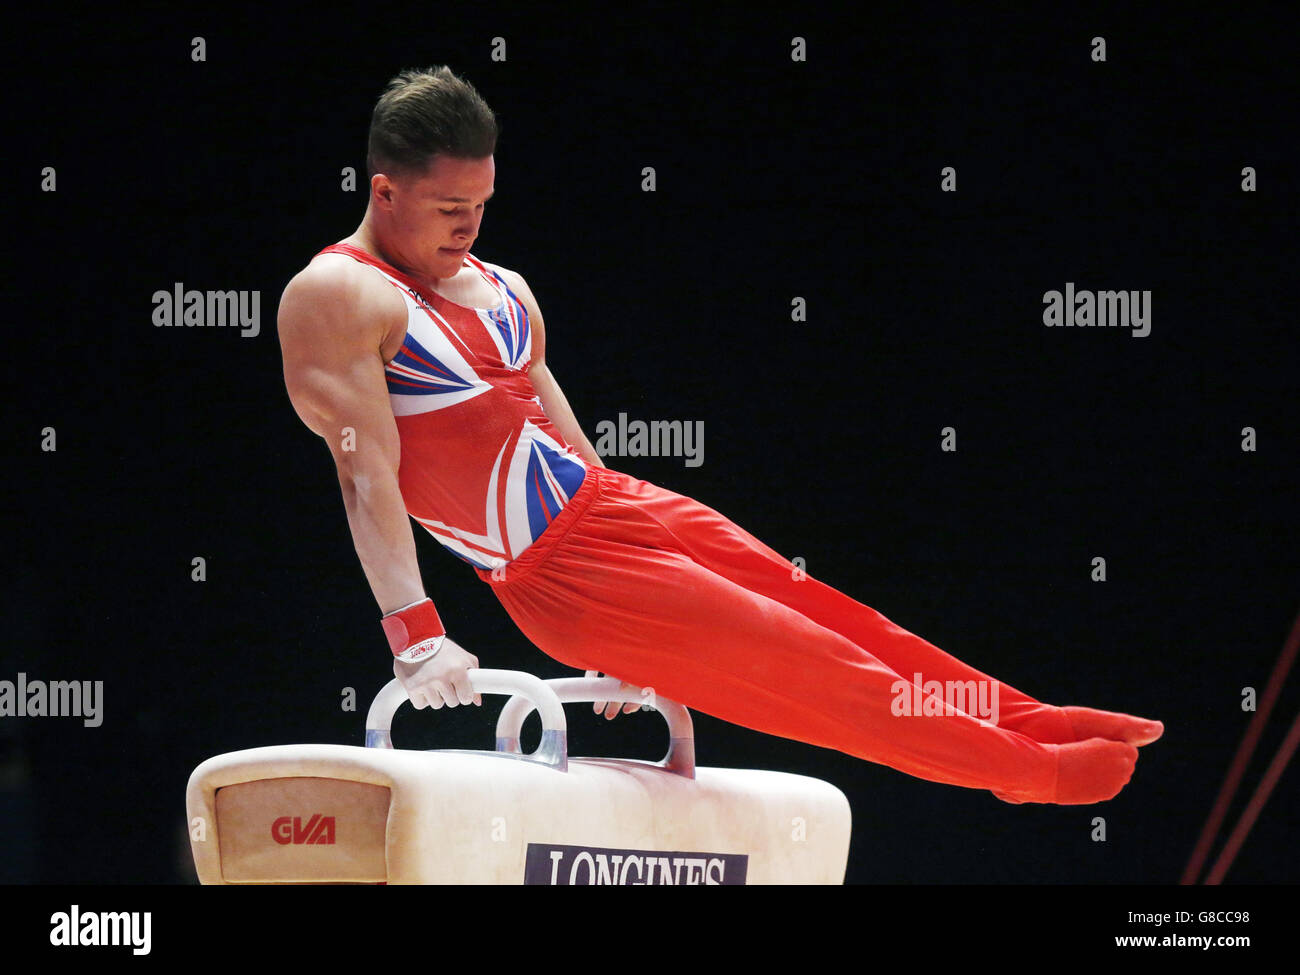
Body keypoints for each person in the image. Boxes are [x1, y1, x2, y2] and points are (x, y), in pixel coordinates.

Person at [276, 66, 1163, 804]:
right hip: (561, 570)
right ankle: (1031, 774)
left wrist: (619, 634)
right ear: (383, 191)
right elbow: (365, 477)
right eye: (446, 208)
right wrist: (415, 629)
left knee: (844, 620)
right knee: (816, 669)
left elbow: (559, 426)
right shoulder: (338, 297)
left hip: (617, 507)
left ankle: (1037, 719)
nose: (469, 226)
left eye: (482, 201)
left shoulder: (500, 282)